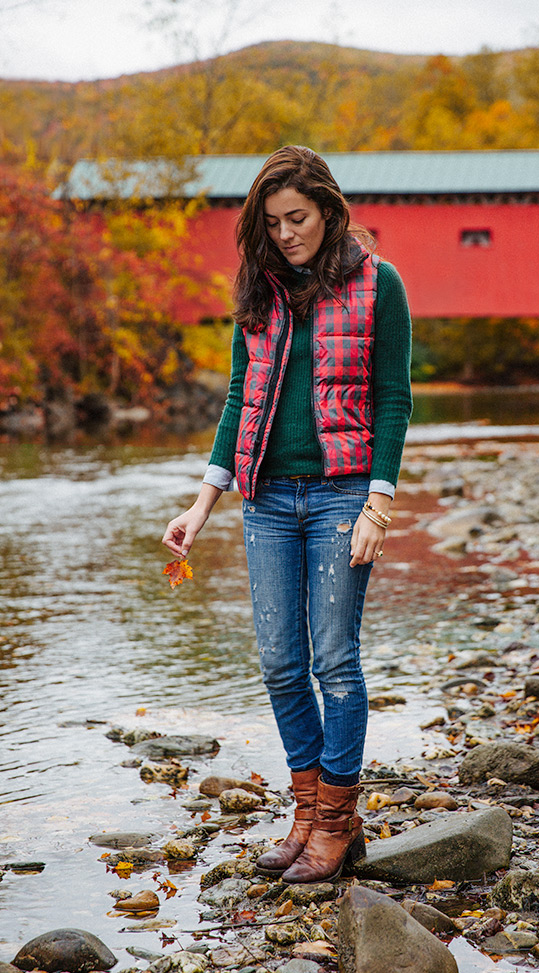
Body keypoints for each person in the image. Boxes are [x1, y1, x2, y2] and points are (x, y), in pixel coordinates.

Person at [162, 145, 412, 883]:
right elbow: (241, 400)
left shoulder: (379, 284)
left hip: (341, 494)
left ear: (329, 210)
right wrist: (202, 503)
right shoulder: (260, 287)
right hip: (265, 498)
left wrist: (379, 499)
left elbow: (394, 399)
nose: (285, 234)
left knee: (334, 660)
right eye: (272, 223)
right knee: (278, 664)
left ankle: (337, 822)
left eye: (296, 218)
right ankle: (306, 815)